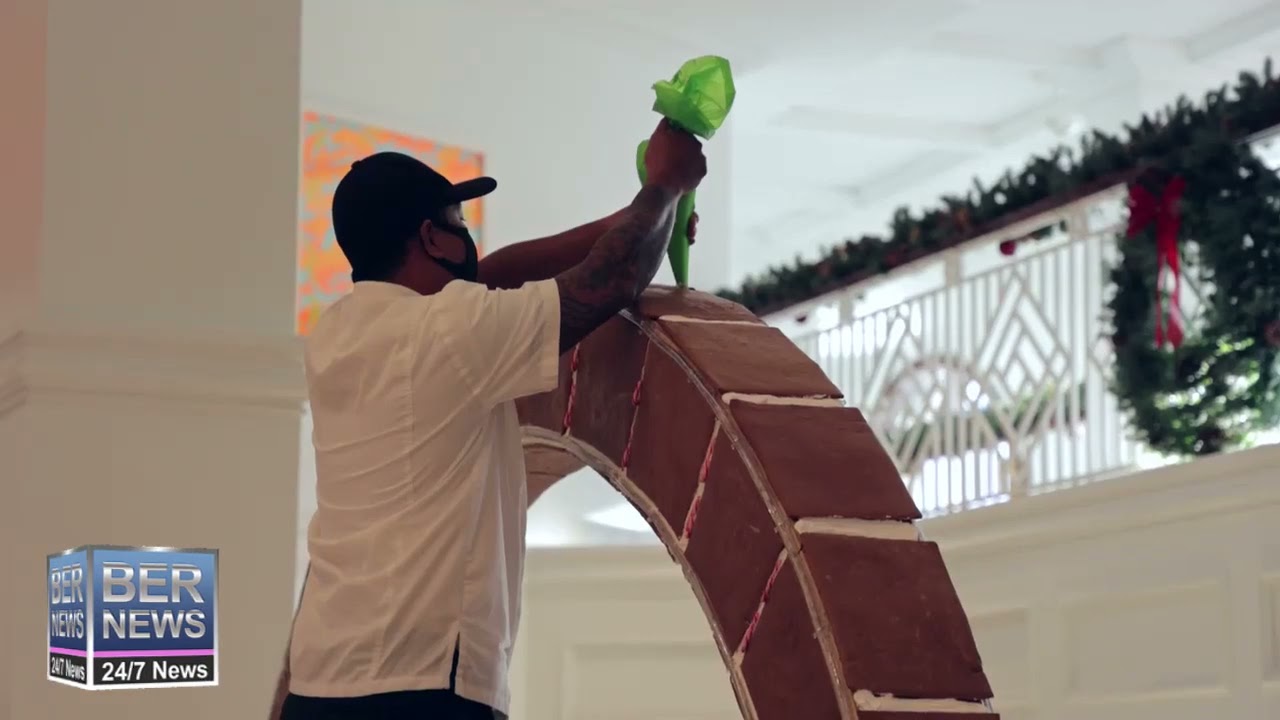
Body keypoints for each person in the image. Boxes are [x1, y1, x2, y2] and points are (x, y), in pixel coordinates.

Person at [271, 119, 707, 720]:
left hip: (319, 682)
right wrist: (666, 187)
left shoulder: (338, 335)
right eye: (457, 223)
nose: (467, 238)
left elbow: (495, 274)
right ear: (429, 237)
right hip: (417, 687)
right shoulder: (445, 334)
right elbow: (608, 284)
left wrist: (624, 220)